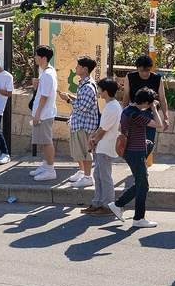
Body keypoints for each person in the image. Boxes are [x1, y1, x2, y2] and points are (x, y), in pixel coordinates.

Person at [107, 89, 160, 228]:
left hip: (132, 151)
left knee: (141, 184)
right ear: (146, 103)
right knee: (143, 185)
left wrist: (141, 140)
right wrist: (154, 108)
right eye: (149, 104)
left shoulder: (127, 110)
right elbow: (159, 125)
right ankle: (136, 217)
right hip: (135, 153)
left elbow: (126, 128)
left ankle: (119, 205)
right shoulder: (136, 114)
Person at [60, 56, 99, 189]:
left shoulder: (88, 86)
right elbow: (83, 101)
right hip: (79, 124)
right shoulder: (84, 83)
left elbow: (82, 107)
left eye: (78, 66)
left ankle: (88, 177)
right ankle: (83, 173)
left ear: (85, 69)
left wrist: (68, 100)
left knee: (85, 152)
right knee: (79, 151)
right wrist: (71, 96)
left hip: (84, 125)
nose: (76, 68)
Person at [85, 78, 122, 216]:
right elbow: (102, 128)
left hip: (106, 146)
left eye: (100, 89)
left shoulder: (112, 107)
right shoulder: (112, 105)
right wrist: (94, 139)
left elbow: (103, 130)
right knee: (98, 175)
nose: (98, 92)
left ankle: (108, 206)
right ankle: (98, 203)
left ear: (105, 91)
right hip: (104, 145)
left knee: (105, 177)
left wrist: (93, 141)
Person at [127, 55, 170, 156]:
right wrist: (123, 113)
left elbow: (163, 99)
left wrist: (166, 117)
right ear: (137, 68)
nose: (145, 73)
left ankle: (142, 165)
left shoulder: (156, 78)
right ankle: (139, 167)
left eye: (147, 70)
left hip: (150, 113)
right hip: (134, 113)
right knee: (135, 144)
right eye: (142, 70)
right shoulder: (130, 77)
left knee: (149, 143)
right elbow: (126, 96)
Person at [30, 44, 59, 182]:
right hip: (44, 113)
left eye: (36, 55)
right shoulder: (46, 72)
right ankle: (46, 165)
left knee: (46, 142)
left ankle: (50, 169)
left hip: (44, 114)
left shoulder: (47, 74)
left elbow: (44, 96)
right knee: (43, 141)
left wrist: (37, 115)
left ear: (43, 58)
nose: (35, 58)